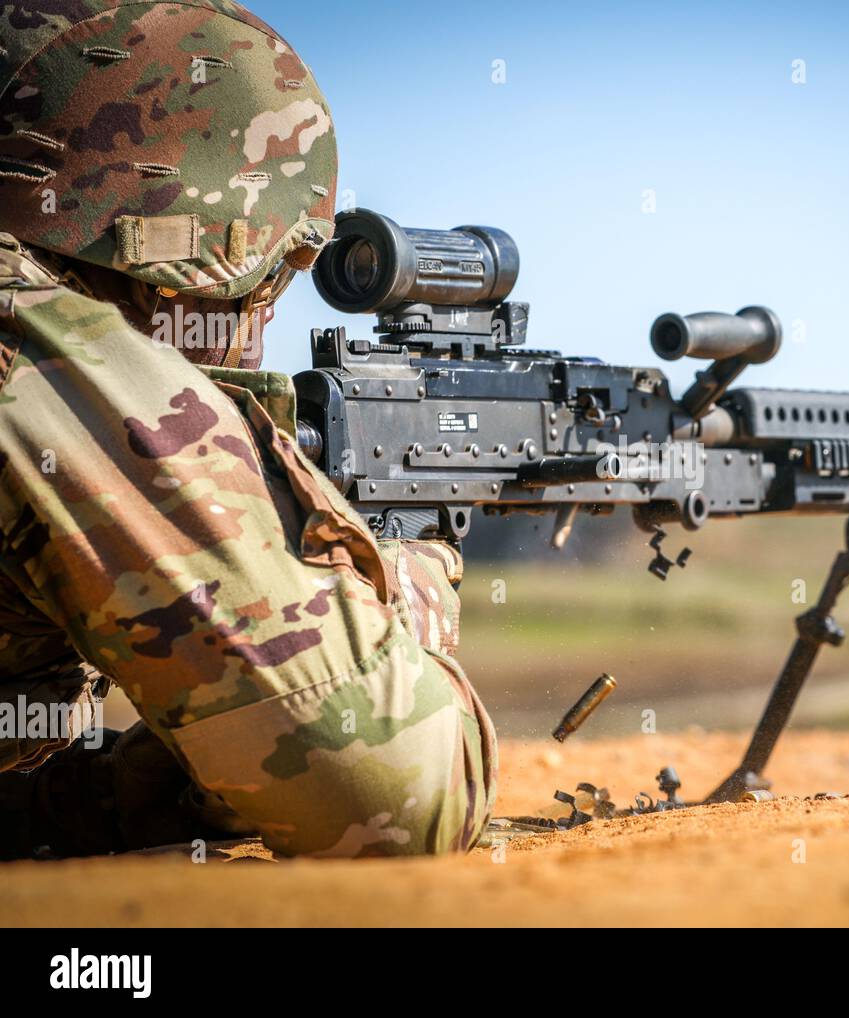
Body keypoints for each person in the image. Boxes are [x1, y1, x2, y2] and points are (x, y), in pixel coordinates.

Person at [0, 0, 496, 859]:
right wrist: (393, 606)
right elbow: (394, 798)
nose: (261, 326)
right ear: (181, 271)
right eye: (274, 279)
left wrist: (159, 794)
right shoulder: (36, 339)